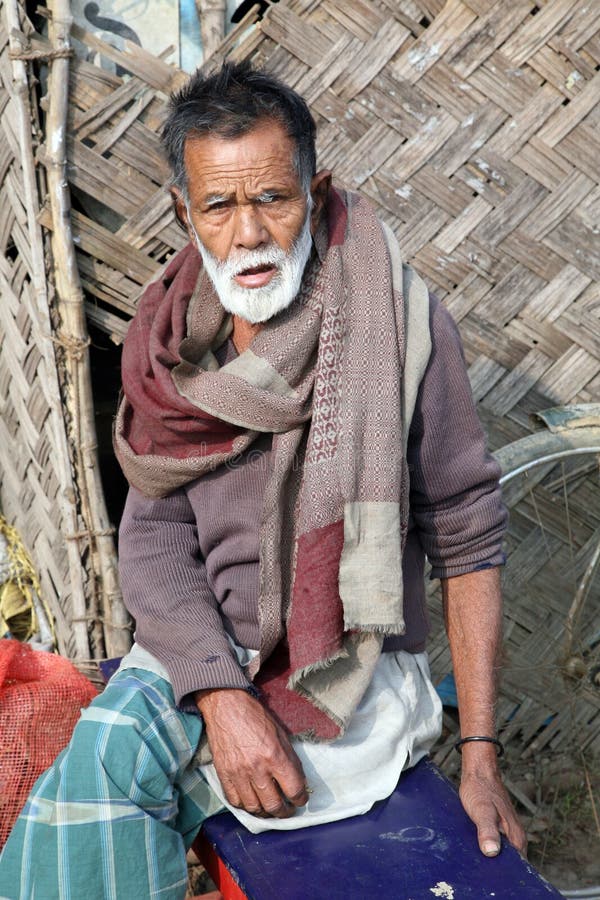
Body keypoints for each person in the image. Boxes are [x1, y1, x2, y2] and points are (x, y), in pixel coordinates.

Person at [0, 61, 526, 899]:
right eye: (218, 206)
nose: (248, 235)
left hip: (344, 669)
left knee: (110, 792)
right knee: (105, 764)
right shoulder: (173, 335)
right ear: (185, 211)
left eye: (272, 200)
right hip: (199, 641)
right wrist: (217, 690)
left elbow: (469, 531)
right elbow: (156, 535)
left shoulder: (400, 324)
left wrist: (481, 754)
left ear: (312, 194)